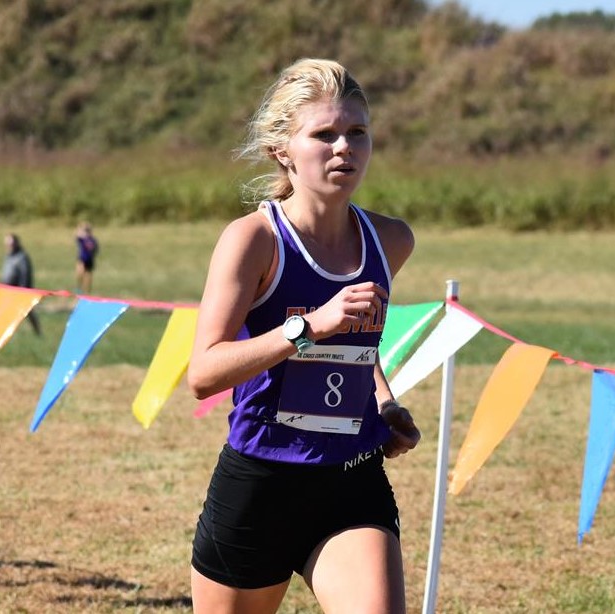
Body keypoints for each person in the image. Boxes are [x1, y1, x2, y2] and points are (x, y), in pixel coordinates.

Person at [186, 59, 421, 614]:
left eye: (356, 133)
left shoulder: (390, 240)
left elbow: (360, 341)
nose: (344, 148)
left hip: (351, 481)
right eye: (324, 134)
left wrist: (384, 402)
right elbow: (203, 373)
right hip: (260, 482)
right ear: (282, 150)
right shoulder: (253, 240)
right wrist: (308, 326)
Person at [1, 233, 41, 336]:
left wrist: (23, 290)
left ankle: (37, 332)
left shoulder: (22, 257)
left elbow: (25, 274)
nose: (9, 246)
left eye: (11, 243)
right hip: (8, 290)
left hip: (20, 290)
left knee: (27, 311)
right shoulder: (8, 256)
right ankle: (7, 333)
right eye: (8, 244)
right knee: (8, 312)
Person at [75, 222, 98, 295]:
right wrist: (81, 226)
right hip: (82, 259)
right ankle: (79, 288)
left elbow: (95, 249)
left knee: (88, 276)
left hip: (90, 259)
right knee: (80, 274)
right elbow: (77, 234)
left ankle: (87, 292)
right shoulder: (82, 239)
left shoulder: (93, 240)